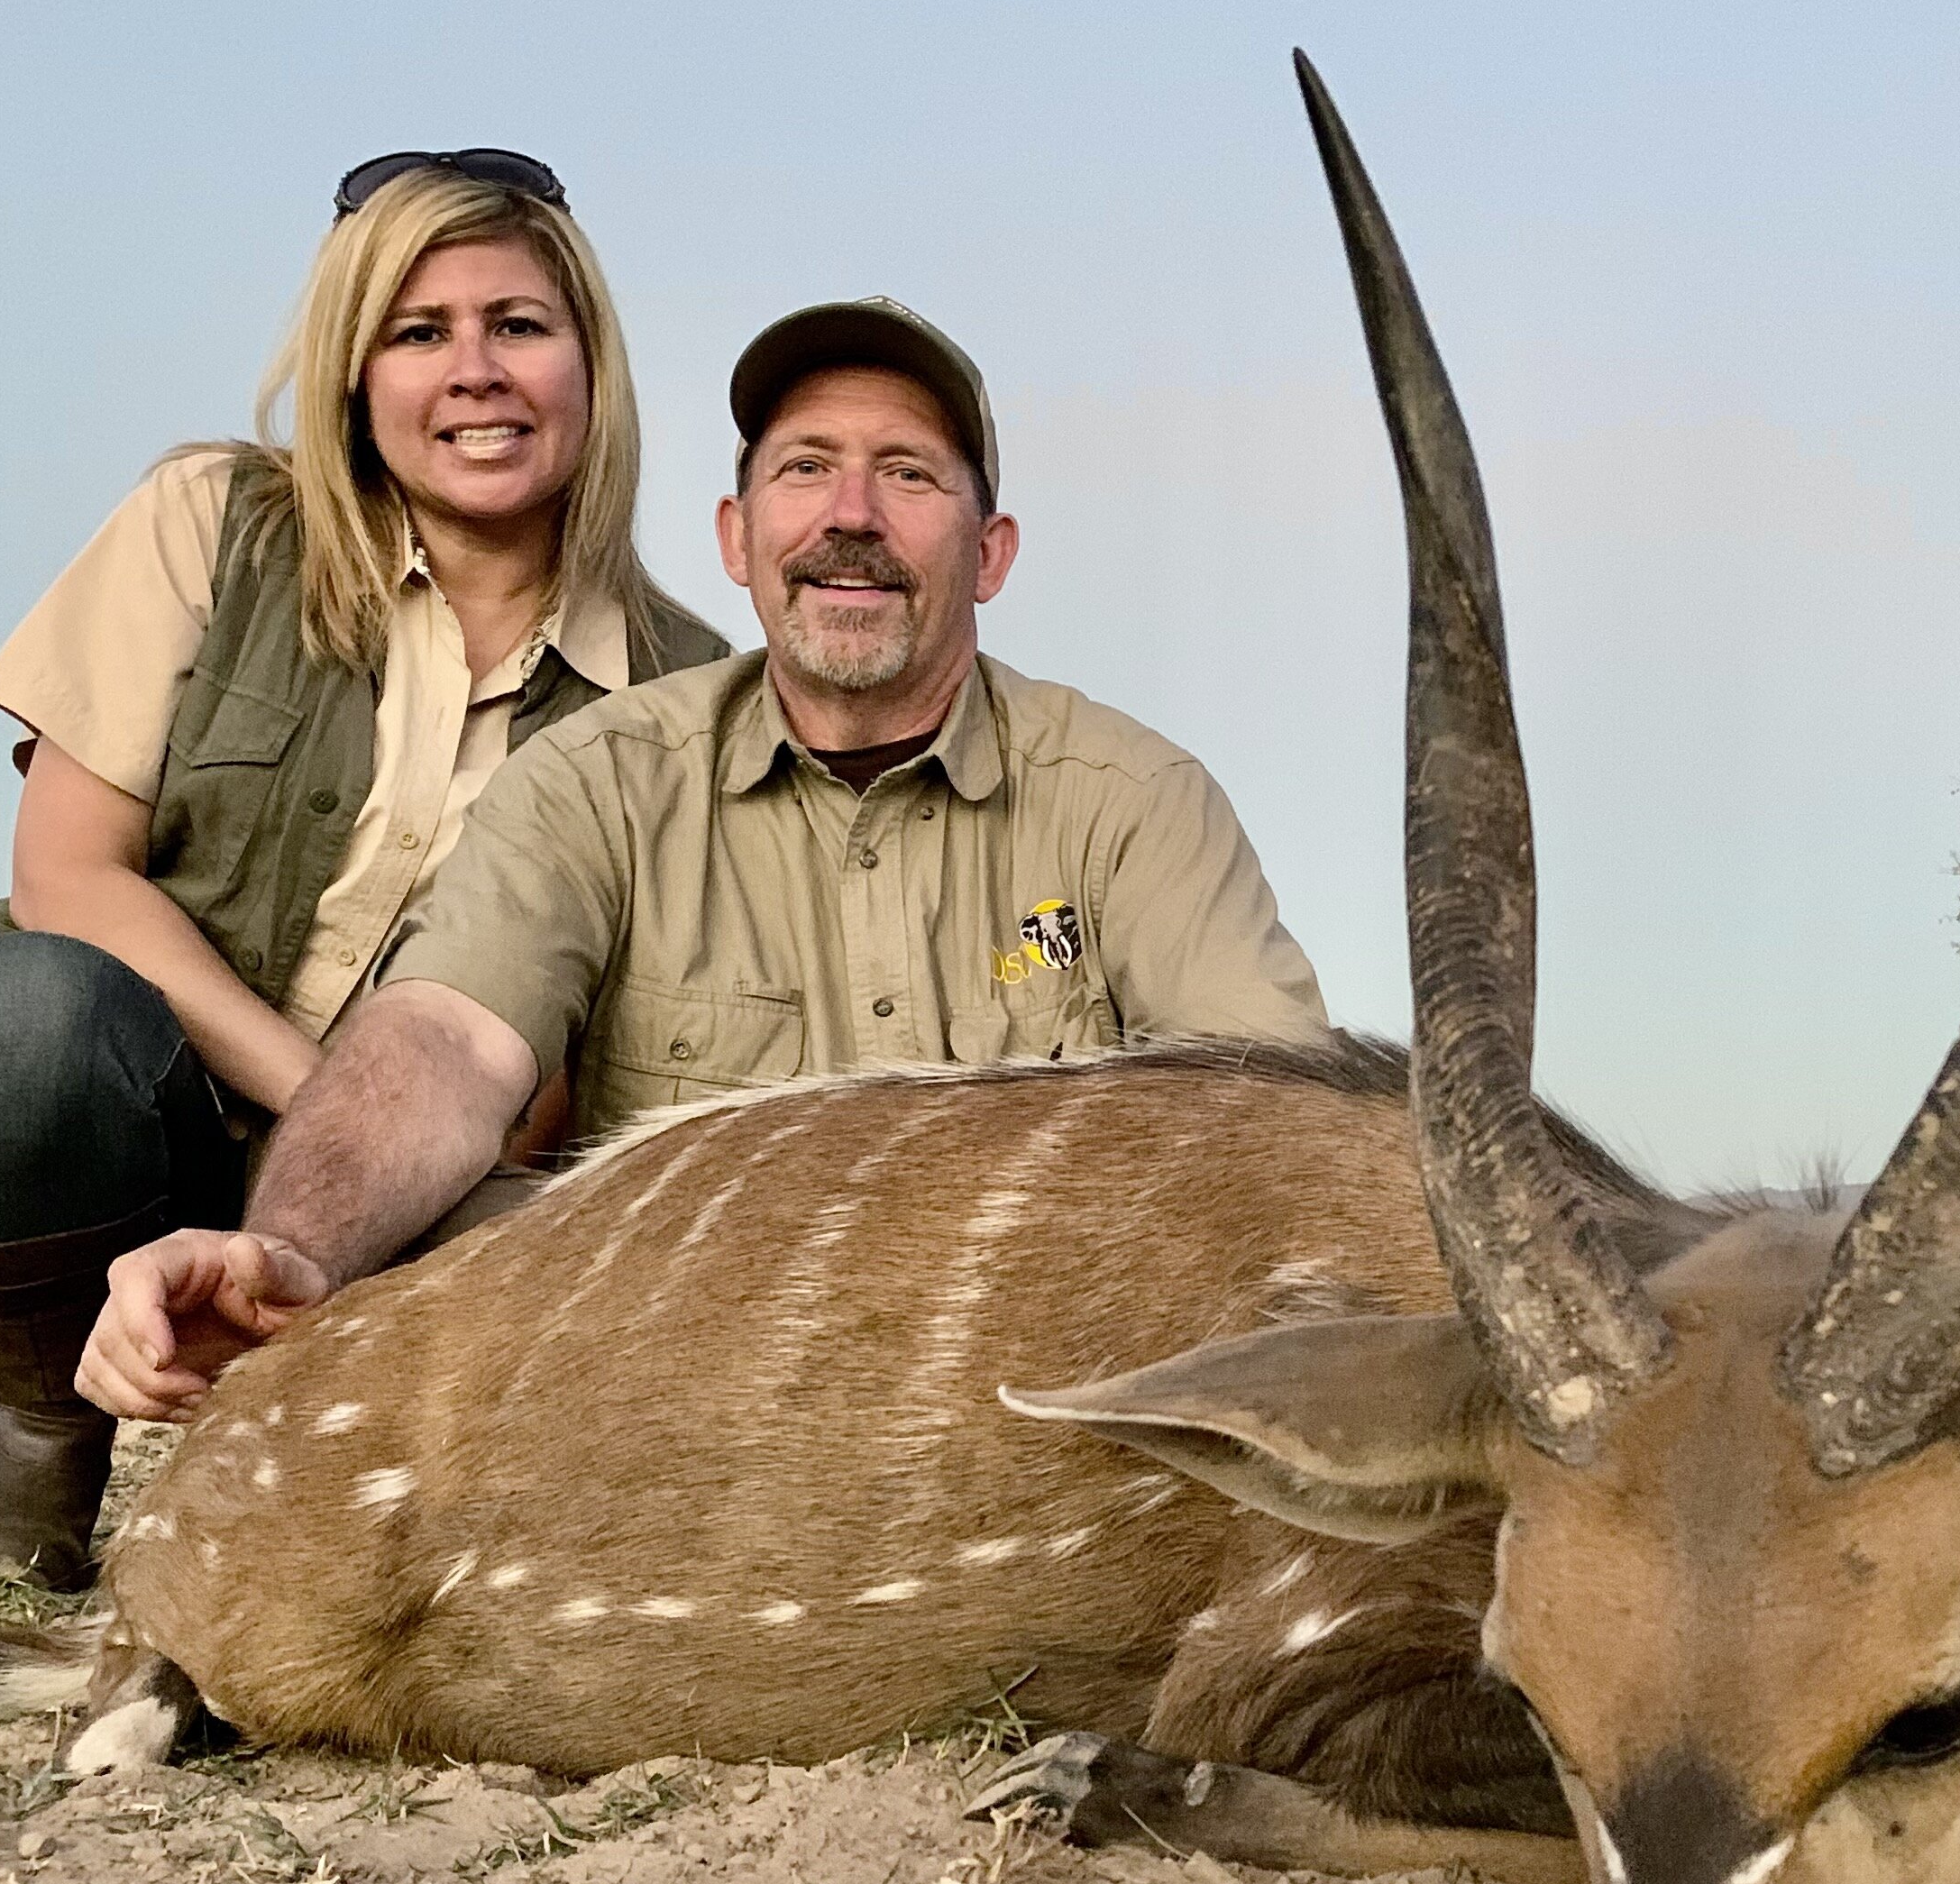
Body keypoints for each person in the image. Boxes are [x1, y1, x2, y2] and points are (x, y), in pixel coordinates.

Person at [77, 297, 1330, 1425]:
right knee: (450, 1243)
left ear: (991, 552)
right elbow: (447, 1043)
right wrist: (291, 1252)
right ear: (737, 538)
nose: (853, 515)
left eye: (908, 475)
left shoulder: (1133, 802)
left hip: (1017, 1391)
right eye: (806, 471)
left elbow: (1284, 1128)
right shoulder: (599, 780)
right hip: (680, 1389)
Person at [0, 151, 729, 1586]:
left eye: (519, 325)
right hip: (158, 1105)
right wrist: (328, 1107)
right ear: (352, 373)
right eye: (418, 332)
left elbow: (578, 1062)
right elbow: (68, 875)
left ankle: (325, 1469)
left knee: (574, 1266)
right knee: (16, 1024)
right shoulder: (213, 520)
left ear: (592, 364)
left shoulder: (688, 688)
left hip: (447, 1169)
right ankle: (40, 1415)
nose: (475, 372)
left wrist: (369, 1178)